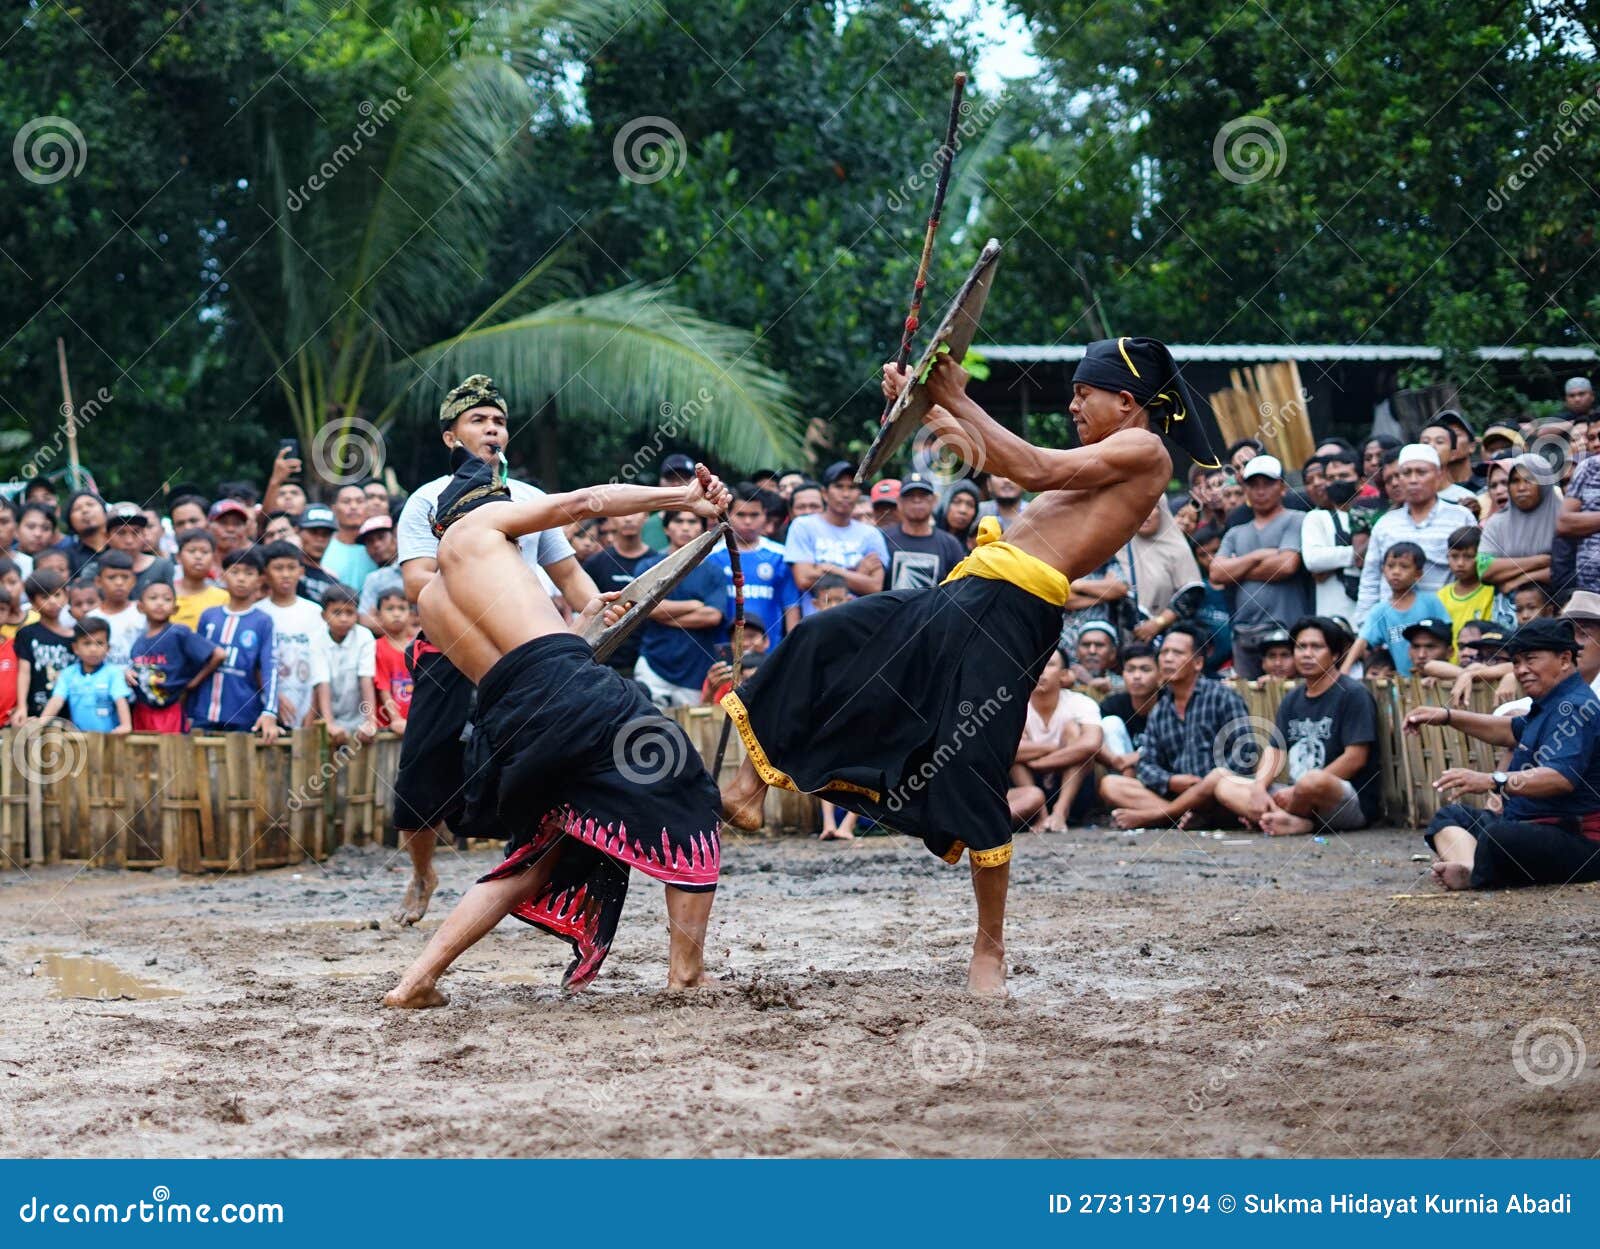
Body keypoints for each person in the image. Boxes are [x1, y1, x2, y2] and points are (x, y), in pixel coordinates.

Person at [722, 338, 1214, 997]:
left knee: (969, 762)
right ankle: (750, 784)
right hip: (967, 589)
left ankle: (990, 945)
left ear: (1126, 400)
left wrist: (954, 395)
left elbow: (1034, 466)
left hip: (1013, 611)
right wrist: (924, 403)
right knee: (829, 635)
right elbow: (988, 453)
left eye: (1081, 393)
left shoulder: (1145, 449)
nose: (1071, 404)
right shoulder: (1106, 453)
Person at [382, 453, 729, 1007]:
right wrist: (682, 499)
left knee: (540, 852)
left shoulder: (431, 598)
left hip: (515, 723)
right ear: (489, 506)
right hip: (572, 694)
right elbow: (584, 502)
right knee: (689, 789)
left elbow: (518, 657)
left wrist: (584, 622)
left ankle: (415, 981)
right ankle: (686, 971)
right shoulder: (481, 527)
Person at [391, 374, 598, 925]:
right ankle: (422, 873)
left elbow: (571, 577)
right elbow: (417, 582)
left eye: (499, 421)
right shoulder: (428, 500)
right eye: (478, 420)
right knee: (421, 773)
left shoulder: (531, 500)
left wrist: (601, 611)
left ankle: (527, 882)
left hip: (526, 655)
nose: (492, 429)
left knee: (536, 768)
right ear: (450, 437)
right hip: (450, 648)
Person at [1411, 619, 1600, 889]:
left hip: (1578, 840)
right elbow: (1509, 730)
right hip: (1526, 824)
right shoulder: (1551, 702)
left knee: (1500, 836)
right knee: (1451, 816)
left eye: (1531, 660)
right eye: (1516, 662)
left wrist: (1494, 780)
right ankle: (1471, 869)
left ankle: (1479, 870)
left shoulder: (1576, 707)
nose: (1522, 670)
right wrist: (1446, 716)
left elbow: (1560, 778)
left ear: (1565, 659)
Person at [1181, 617, 1379, 835]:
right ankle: (1285, 820)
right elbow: (1274, 751)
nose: (1307, 654)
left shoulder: (1352, 693)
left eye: (1316, 647)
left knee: (1312, 781)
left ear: (1334, 654)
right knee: (1224, 784)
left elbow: (1355, 758)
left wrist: (1297, 790)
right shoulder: (1293, 698)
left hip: (1343, 798)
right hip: (1295, 796)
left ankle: (1294, 822)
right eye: (1300, 647)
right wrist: (1259, 787)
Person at [1099, 623, 1251, 829]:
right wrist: (1170, 781)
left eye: (1177, 653)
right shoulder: (1161, 710)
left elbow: (1246, 751)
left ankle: (1162, 815)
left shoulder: (1222, 697)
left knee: (1218, 778)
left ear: (1198, 663)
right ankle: (1184, 818)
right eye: (1164, 653)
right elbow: (1146, 764)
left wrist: (1206, 784)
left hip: (1219, 793)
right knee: (1111, 785)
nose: (1168, 658)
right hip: (1177, 793)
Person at [1209, 454, 1312, 678]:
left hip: (1285, 629)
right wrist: (1258, 556)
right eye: (1253, 485)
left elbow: (1286, 566)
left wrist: (1237, 568)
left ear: (1282, 487)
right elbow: (1216, 573)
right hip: (1244, 631)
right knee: (1249, 700)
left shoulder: (1297, 519)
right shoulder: (1236, 531)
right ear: (1245, 489)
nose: (1260, 490)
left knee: (1286, 693)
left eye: (1268, 484)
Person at [1357, 444, 1474, 618]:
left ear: (1439, 475)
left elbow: (1474, 575)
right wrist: (1365, 625)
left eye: (1421, 472)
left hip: (1445, 621)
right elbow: (1370, 579)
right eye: (1406, 473)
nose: (1412, 480)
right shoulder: (1386, 524)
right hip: (1393, 624)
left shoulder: (1461, 518)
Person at [633, 510, 726, 707]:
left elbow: (712, 616)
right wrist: (693, 605)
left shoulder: (714, 572)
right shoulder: (648, 567)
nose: (685, 527)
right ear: (667, 528)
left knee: (692, 733)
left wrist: (659, 613)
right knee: (648, 729)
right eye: (679, 521)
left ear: (703, 528)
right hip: (653, 664)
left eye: (692, 521)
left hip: (696, 670)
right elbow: (643, 609)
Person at [189, 548, 280, 741]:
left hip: (243, 713)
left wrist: (270, 711)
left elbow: (269, 667)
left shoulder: (263, 621)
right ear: (223, 576)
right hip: (202, 711)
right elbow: (195, 662)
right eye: (235, 572)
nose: (241, 579)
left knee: (239, 767)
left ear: (260, 579)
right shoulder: (209, 616)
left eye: (249, 573)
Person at [1007, 648, 1103, 832]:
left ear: (1064, 675)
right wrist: (1052, 748)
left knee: (1072, 731)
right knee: (1016, 743)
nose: (1041, 671)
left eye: (1049, 665)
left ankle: (1061, 811)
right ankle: (1040, 814)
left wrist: (1040, 762)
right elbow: (1003, 750)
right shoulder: (1014, 704)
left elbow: (1091, 744)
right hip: (1026, 789)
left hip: (1072, 788)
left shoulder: (1081, 702)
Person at [784, 460, 888, 614]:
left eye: (852, 487)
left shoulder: (872, 534)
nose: (845, 494)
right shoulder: (803, 526)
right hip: (816, 625)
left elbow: (874, 587)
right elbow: (804, 579)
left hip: (858, 625)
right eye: (839, 487)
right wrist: (858, 574)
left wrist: (830, 569)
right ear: (824, 493)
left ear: (858, 494)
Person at [706, 484, 800, 646]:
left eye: (754, 515)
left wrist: (794, 648)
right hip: (723, 648)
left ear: (765, 516)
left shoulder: (780, 556)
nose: (748, 521)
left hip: (769, 651)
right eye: (741, 514)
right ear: (728, 515)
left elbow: (791, 607)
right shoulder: (711, 556)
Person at [125, 581, 225, 732]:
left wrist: (193, 683)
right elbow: (137, 669)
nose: (160, 603)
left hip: (173, 709)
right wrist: (128, 674)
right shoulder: (138, 642)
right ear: (141, 607)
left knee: (173, 751)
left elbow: (218, 654)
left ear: (175, 608)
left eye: (167, 599)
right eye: (153, 598)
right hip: (143, 709)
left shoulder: (179, 633)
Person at [1345, 543, 1446, 677]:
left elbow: (1447, 635)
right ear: (1383, 570)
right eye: (1391, 566)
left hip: (1436, 679)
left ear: (1418, 573)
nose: (1396, 572)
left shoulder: (1430, 602)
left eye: (1404, 566)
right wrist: (1344, 672)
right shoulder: (1380, 611)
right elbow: (1363, 641)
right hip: (1403, 682)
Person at [581, 510, 658, 676]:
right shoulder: (595, 563)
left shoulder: (657, 563)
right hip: (601, 660)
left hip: (648, 661)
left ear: (645, 516)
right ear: (610, 518)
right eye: (622, 512)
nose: (629, 517)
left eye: (636, 511)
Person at [1300, 449, 1365, 621]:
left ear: (1361, 482)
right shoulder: (1317, 517)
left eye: (1343, 476)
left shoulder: (1374, 514)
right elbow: (1313, 560)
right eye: (1330, 478)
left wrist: (1333, 562)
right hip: (1333, 620)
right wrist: (1360, 553)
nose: (1336, 482)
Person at [1122, 499, 1201, 639]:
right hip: (1121, 638)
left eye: (1152, 507)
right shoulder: (1118, 546)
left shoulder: (1178, 549)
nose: (1145, 513)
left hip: (1164, 638)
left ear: (1163, 512)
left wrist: (1158, 623)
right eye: (1138, 507)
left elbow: (1191, 592)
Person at [1480, 454, 1559, 594]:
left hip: (1558, 606)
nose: (1521, 487)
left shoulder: (1564, 520)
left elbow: (1569, 569)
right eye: (1515, 481)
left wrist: (1521, 579)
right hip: (1507, 611)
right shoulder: (1497, 523)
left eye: (1529, 480)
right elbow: (1484, 569)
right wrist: (1541, 561)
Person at [40, 618, 130, 734]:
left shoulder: (114, 673)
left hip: (109, 739)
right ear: (76, 648)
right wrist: (41, 722)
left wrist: (125, 725)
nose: (93, 649)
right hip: (78, 740)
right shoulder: (68, 674)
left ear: (108, 648)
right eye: (87, 643)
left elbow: (120, 700)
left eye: (99, 643)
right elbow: (57, 700)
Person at [316, 584, 377, 746]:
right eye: (337, 612)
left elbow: (366, 680)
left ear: (357, 615)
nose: (343, 618)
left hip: (358, 718)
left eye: (349, 612)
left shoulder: (364, 636)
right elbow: (322, 683)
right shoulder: (316, 639)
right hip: (329, 717)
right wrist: (329, 723)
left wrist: (370, 721)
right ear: (324, 615)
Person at [883, 472, 966, 590]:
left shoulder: (950, 544)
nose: (917, 500)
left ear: (934, 501)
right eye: (910, 496)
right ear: (899, 502)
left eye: (923, 495)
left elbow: (959, 588)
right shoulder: (884, 538)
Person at [14, 571, 73, 722]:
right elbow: (24, 671)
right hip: (36, 710)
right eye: (45, 597)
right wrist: (22, 707)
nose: (52, 601)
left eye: (57, 595)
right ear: (33, 602)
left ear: (66, 596)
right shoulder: (27, 633)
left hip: (71, 711)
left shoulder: (76, 636)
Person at [1096, 642, 1160, 775]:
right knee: (1110, 723)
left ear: (1160, 675)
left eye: (1145, 669)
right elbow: (1092, 739)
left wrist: (1139, 755)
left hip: (1163, 773)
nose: (1136, 676)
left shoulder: (1169, 703)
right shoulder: (1112, 705)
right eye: (1130, 670)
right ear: (1123, 674)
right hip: (1124, 772)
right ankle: (1126, 781)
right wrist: (1118, 761)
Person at [1439, 526, 1495, 651]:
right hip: (1447, 666)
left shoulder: (1491, 592)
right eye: (1454, 556)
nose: (1460, 563)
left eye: (1469, 556)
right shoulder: (1441, 596)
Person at [1188, 524, 1234, 672]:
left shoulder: (1240, 589)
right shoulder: (1196, 589)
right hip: (1200, 669)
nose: (1210, 559)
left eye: (1215, 551)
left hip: (1233, 668)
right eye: (1202, 555)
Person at [371, 588, 415, 731]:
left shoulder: (418, 647)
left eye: (402, 608)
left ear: (410, 613)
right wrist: (396, 719)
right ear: (378, 616)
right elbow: (382, 687)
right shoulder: (377, 647)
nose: (396, 614)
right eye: (390, 609)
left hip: (416, 722)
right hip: (388, 726)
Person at [91, 551, 144, 668]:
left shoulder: (142, 614)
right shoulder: (92, 617)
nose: (119, 583)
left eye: (125, 577)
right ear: (98, 582)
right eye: (111, 577)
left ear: (134, 581)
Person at [321, 484, 380, 589]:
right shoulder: (321, 545)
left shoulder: (378, 547)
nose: (353, 506)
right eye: (346, 501)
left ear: (367, 508)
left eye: (359, 501)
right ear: (334, 509)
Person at [171, 530, 229, 630]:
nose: (198, 556)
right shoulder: (167, 595)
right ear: (178, 557)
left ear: (213, 558)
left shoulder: (223, 598)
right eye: (191, 551)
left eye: (205, 552)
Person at [354, 514, 401, 630]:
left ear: (395, 538)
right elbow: (365, 621)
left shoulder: (413, 566)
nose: (376, 545)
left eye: (381, 537)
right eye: (370, 541)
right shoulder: (373, 578)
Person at [293, 504, 342, 605]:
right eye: (313, 532)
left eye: (325, 534)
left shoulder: (333, 581)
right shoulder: (287, 571)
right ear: (297, 531)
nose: (320, 539)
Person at [60, 493, 110, 575]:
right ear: (70, 521)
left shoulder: (123, 545)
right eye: (77, 509)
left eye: (90, 504)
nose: (85, 510)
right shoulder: (65, 557)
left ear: (105, 511)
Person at [1071, 620, 1122, 694]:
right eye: (1086, 645)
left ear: (1112, 653)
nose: (1092, 651)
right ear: (1077, 651)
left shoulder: (1124, 685)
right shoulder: (1065, 681)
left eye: (1099, 645)